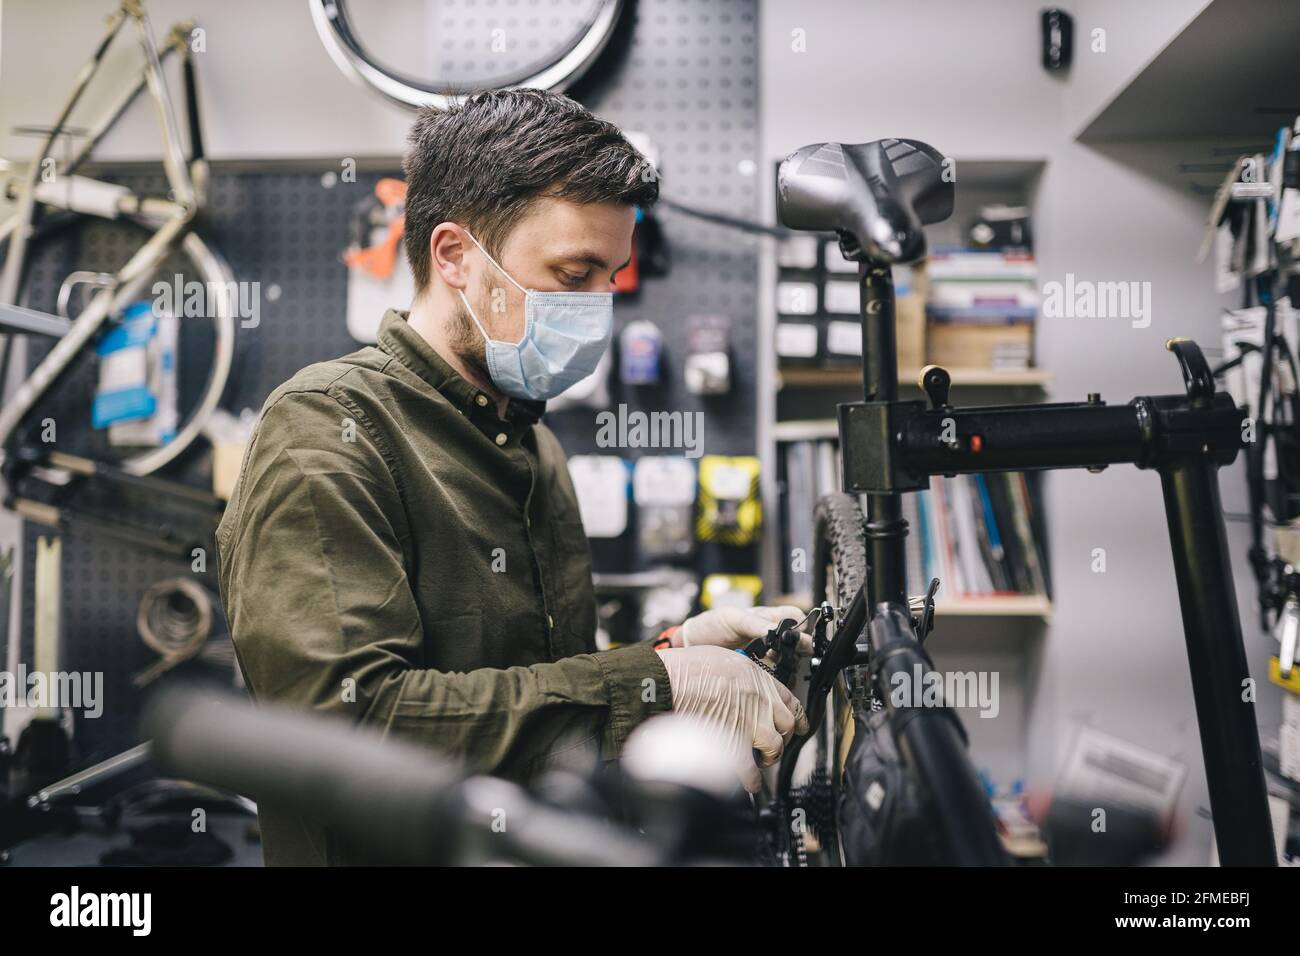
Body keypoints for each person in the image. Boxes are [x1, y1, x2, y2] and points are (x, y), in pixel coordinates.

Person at [217, 88, 806, 865]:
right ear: (455, 256)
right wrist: (657, 683)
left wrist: (674, 646)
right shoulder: (326, 429)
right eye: (575, 271)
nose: (601, 307)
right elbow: (346, 725)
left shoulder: (532, 444)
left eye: (612, 277)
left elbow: (532, 690)